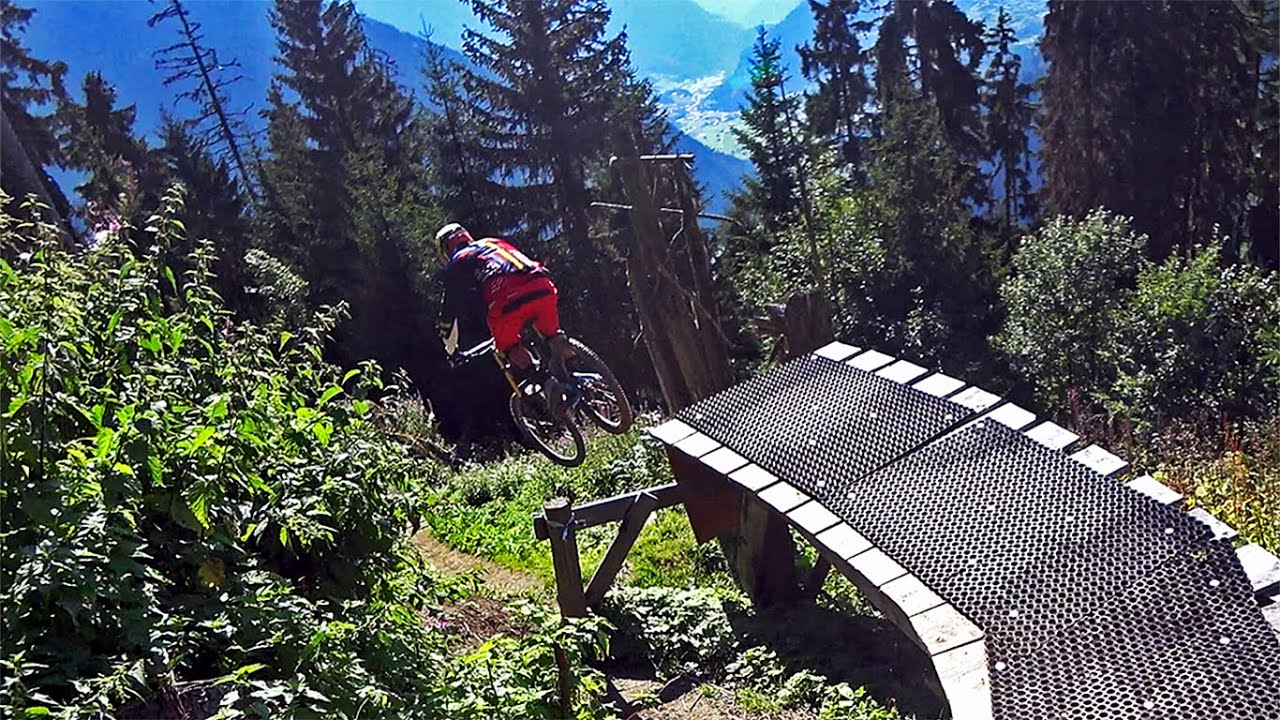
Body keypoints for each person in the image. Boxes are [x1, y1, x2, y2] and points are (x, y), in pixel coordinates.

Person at [435, 223, 574, 381]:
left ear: (445, 250)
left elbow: (449, 310)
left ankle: (546, 382)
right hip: (542, 284)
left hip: (507, 302)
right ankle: (584, 380)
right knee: (552, 335)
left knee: (509, 347)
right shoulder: (492, 242)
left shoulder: (456, 262)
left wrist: (452, 350)